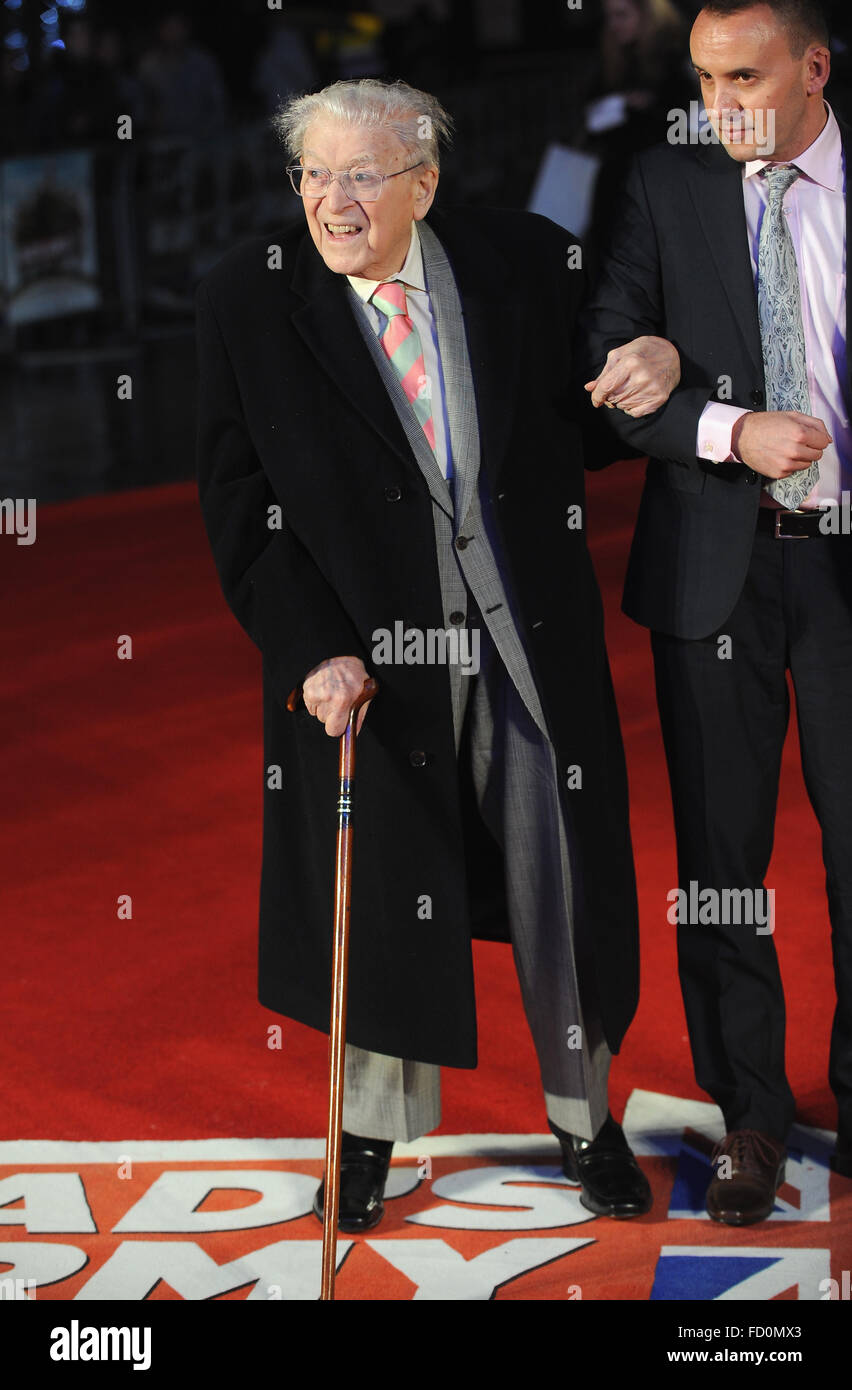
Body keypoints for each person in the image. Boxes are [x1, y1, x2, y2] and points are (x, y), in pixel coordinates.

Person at [196, 78, 677, 1232]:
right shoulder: (250, 301)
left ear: (424, 180)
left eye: (361, 174)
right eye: (313, 174)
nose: (332, 201)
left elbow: (600, 407)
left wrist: (652, 367)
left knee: (562, 883)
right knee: (380, 902)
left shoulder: (520, 260)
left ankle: (586, 1119)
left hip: (527, 645)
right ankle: (367, 1132)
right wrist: (311, 651)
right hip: (366, 668)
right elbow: (238, 505)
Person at [585, 0, 852, 1225]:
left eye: (743, 75)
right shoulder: (665, 180)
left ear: (813, 69)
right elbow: (610, 377)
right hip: (718, 568)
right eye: (700, 75)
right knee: (724, 867)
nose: (719, 101)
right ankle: (750, 1117)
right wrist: (726, 427)